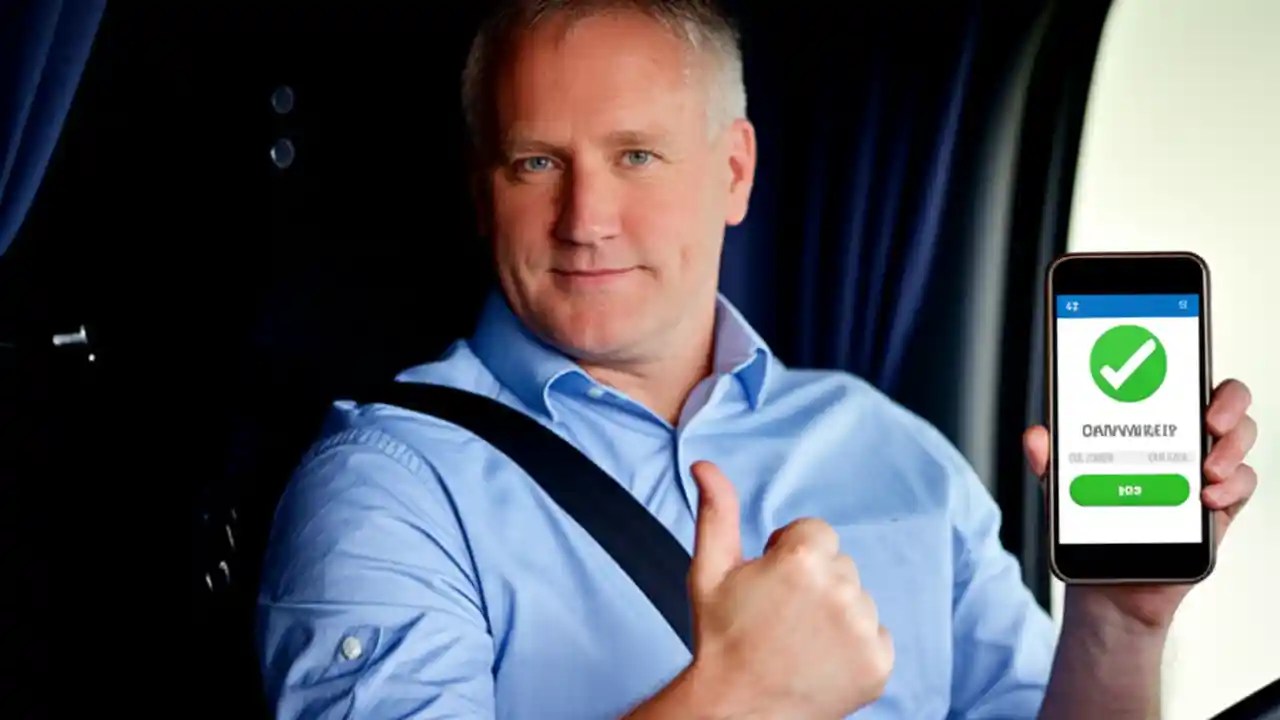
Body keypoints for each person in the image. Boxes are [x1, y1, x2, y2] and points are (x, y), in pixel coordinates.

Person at [255, 1, 1260, 717]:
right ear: (485, 197)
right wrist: (733, 701)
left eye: (635, 156)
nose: (586, 220)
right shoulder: (385, 489)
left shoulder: (890, 448)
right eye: (537, 164)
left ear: (731, 171)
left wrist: (1119, 626)